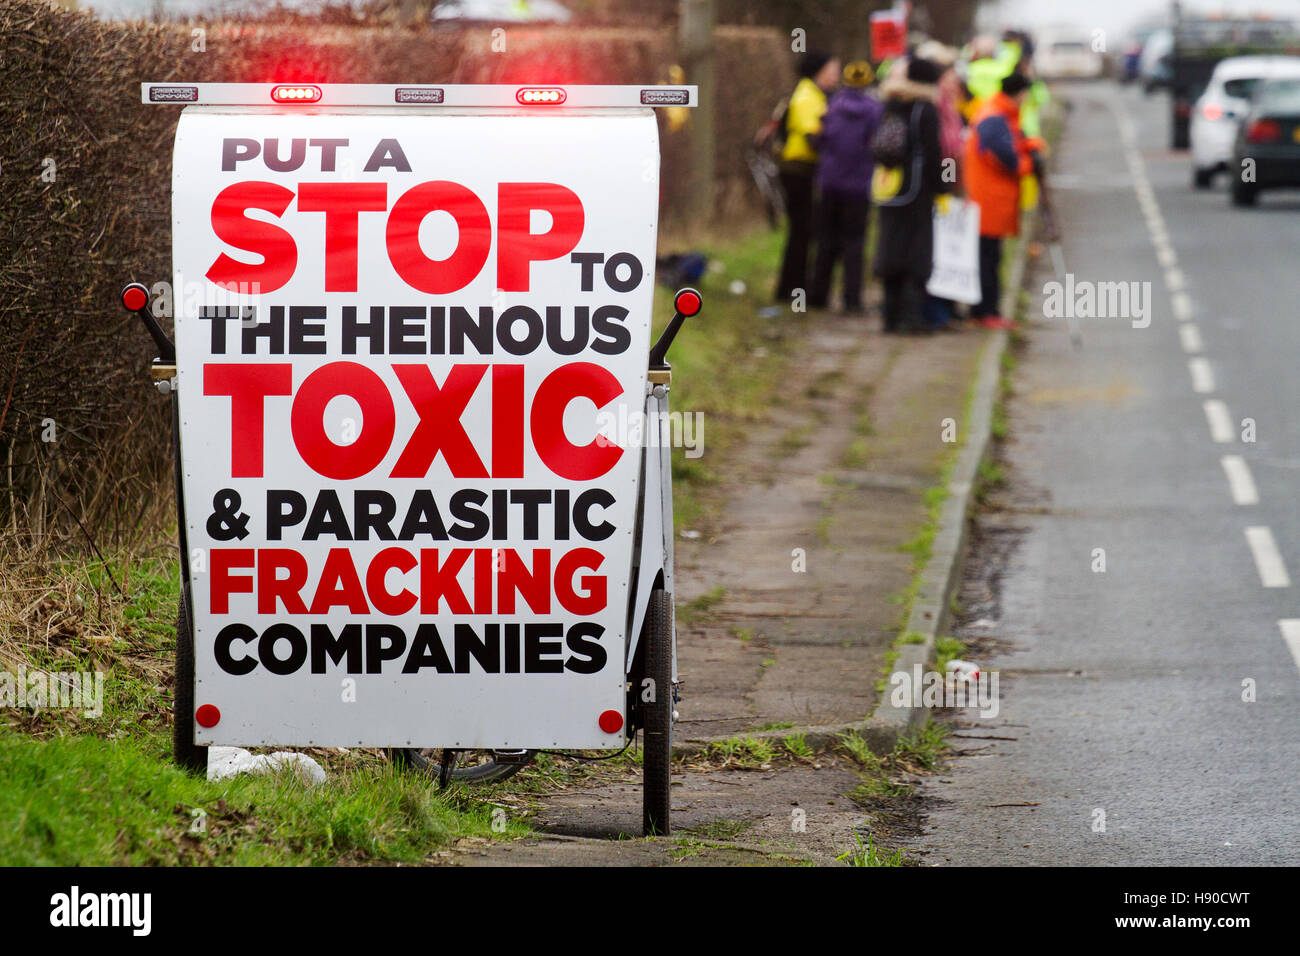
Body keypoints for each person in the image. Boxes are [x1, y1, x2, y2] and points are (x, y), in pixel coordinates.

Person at [871, 56, 949, 334]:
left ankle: (889, 317)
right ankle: (912, 318)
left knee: (890, 250)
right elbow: (933, 153)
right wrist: (942, 187)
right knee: (916, 253)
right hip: (916, 191)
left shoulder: (890, 104)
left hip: (888, 186)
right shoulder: (925, 110)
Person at [962, 71, 1038, 329]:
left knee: (988, 256)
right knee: (987, 258)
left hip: (990, 199)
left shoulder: (998, 112)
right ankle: (986, 312)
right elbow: (1008, 158)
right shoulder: (995, 117)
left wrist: (1030, 145)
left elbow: (1014, 142)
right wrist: (1029, 162)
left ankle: (985, 310)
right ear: (1019, 93)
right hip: (989, 200)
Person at [808, 60, 883, 315]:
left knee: (826, 239)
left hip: (829, 183)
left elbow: (820, 140)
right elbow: (878, 144)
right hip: (859, 186)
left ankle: (818, 295)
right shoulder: (875, 110)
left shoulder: (832, 106)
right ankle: (852, 300)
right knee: (855, 243)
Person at [775, 51, 841, 304]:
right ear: (819, 71)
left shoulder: (814, 94)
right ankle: (791, 289)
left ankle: (793, 287)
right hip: (798, 170)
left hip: (803, 169)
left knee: (803, 231)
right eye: (832, 70)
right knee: (801, 231)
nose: (835, 76)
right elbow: (813, 136)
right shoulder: (807, 96)